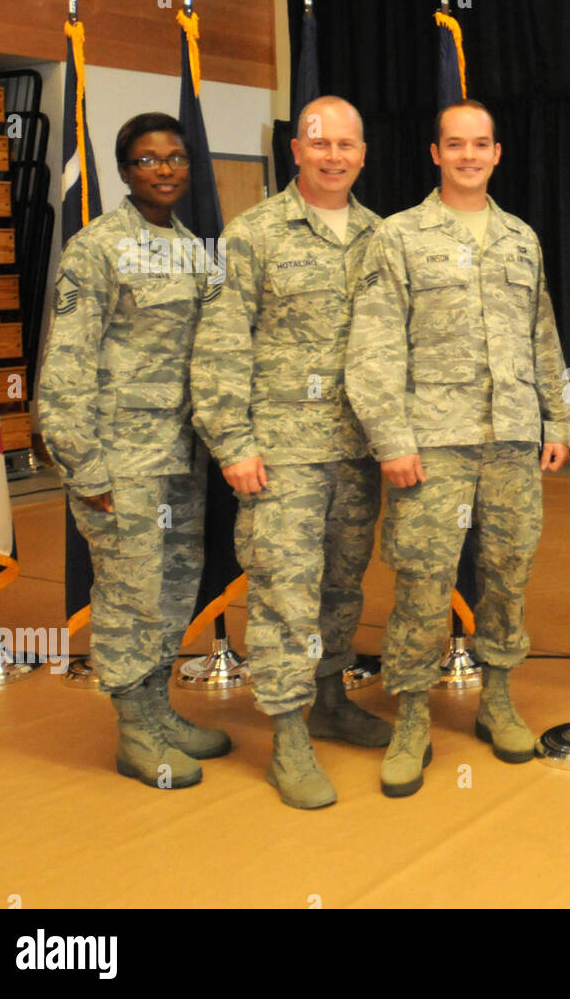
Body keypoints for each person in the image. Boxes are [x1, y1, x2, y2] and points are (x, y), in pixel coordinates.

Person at [346, 100, 570, 798]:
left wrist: (557, 421)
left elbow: (541, 334)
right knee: (422, 579)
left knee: (508, 570)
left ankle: (496, 698)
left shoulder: (520, 238)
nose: (469, 155)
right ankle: (411, 714)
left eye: (481, 145)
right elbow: (374, 346)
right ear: (435, 153)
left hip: (509, 439)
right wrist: (391, 438)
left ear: (497, 154)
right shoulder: (399, 237)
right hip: (432, 444)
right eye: (455, 145)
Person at [190, 96, 387, 810]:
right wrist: (233, 443)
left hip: (356, 453)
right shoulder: (254, 235)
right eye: (319, 142)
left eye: (346, 143)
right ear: (295, 150)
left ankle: (331, 697)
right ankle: (287, 735)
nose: (333, 155)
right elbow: (218, 345)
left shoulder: (379, 236)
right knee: (283, 594)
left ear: (363, 153)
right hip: (280, 457)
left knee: (341, 584)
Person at [37, 112, 230, 788]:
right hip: (120, 463)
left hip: (182, 458)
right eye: (149, 160)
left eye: (176, 158)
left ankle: (158, 709)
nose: (167, 169)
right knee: (128, 596)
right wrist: (85, 466)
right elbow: (63, 368)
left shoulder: (191, 251)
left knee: (172, 590)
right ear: (124, 171)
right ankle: (132, 734)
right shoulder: (98, 248)